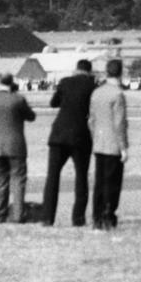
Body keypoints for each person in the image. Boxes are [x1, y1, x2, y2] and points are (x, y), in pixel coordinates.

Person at [42, 60, 95, 227]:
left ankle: (47, 218)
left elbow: (53, 103)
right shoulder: (92, 85)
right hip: (80, 135)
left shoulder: (65, 82)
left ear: (76, 69)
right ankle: (78, 218)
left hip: (58, 133)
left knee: (52, 177)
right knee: (81, 177)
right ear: (89, 71)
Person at [0, 73, 36, 224]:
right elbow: (31, 116)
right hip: (15, 145)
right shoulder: (18, 99)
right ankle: (18, 216)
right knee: (18, 181)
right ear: (12, 83)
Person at [89, 59, 129, 231]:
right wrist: (123, 147)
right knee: (113, 183)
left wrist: (95, 138)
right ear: (120, 73)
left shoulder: (96, 93)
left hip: (99, 142)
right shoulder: (118, 94)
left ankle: (96, 217)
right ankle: (108, 215)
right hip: (113, 144)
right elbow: (119, 123)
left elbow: (91, 120)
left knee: (99, 182)